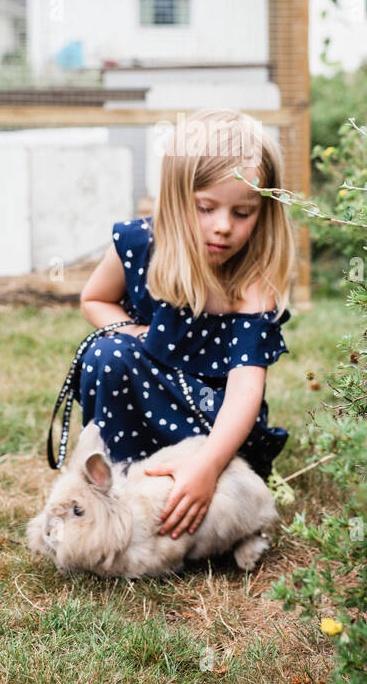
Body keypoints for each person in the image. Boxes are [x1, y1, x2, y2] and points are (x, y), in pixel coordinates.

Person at [77, 107, 297, 543]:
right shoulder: (140, 245)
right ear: (177, 201)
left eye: (243, 212)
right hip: (148, 405)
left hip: (217, 428)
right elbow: (94, 298)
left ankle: (197, 489)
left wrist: (207, 465)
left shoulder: (253, 282)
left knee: (217, 475)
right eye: (206, 207)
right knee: (106, 353)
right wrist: (129, 330)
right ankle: (123, 487)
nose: (223, 228)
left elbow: (244, 392)